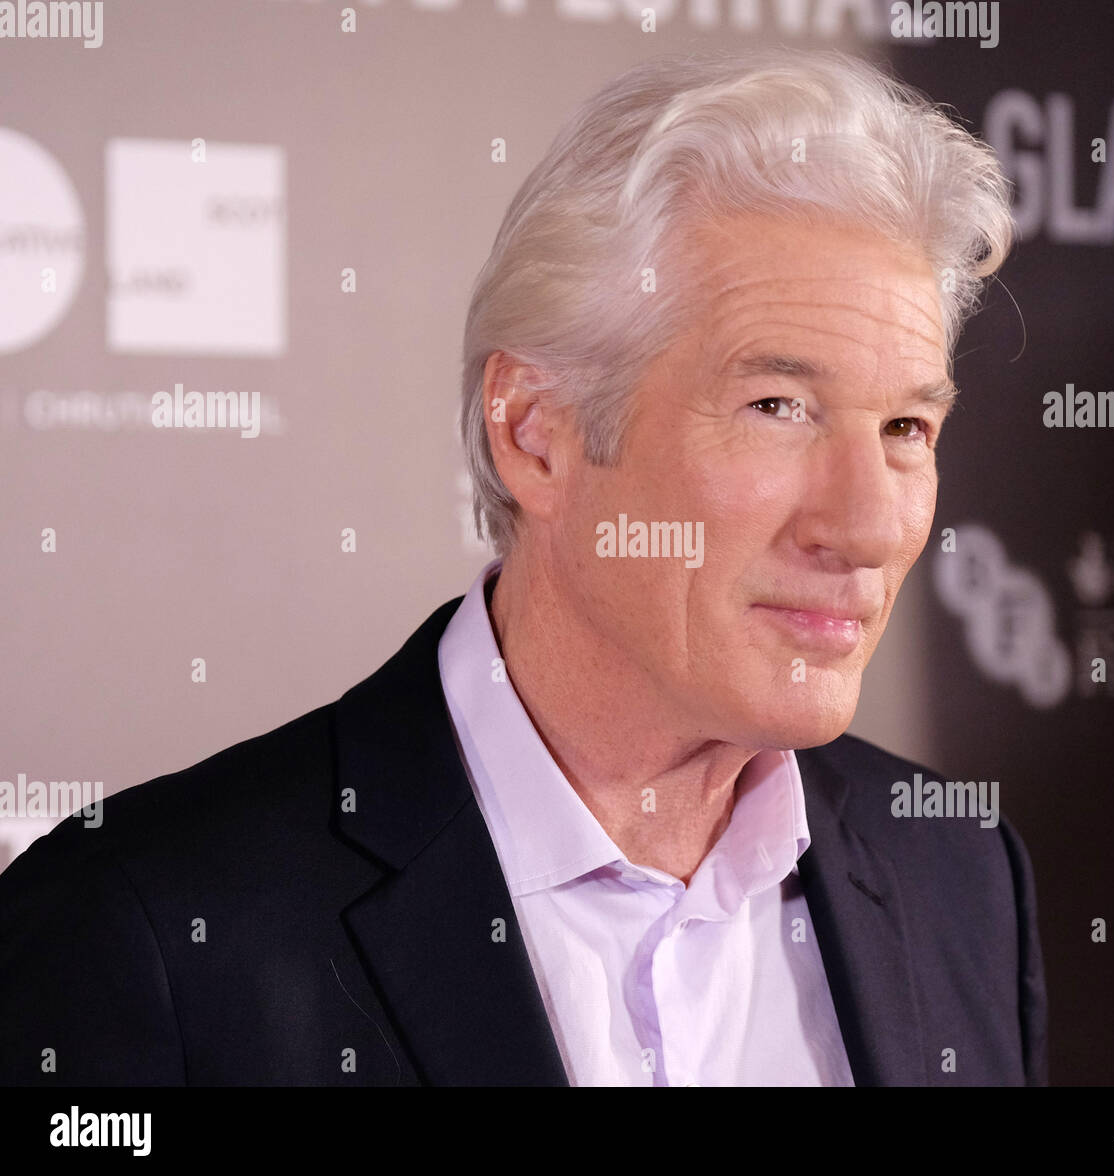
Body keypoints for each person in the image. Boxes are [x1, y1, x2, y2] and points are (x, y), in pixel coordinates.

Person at [0, 46, 1046, 1086]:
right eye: (777, 407)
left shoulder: (956, 875)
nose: (864, 525)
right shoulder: (146, 930)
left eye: (906, 425)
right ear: (535, 432)